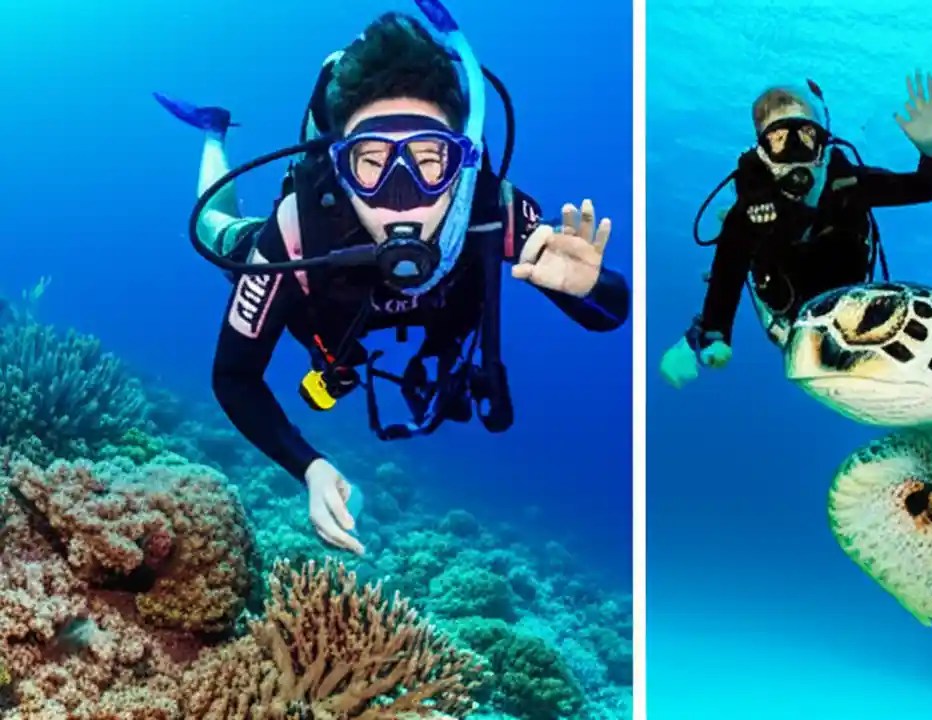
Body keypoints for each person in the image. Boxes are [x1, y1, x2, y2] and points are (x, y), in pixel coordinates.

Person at [154, 1, 629, 556]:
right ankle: (213, 133)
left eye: (429, 160)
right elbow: (234, 376)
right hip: (316, 285)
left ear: (462, 163)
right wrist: (308, 467)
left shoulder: (488, 209)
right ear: (339, 166)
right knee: (212, 230)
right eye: (371, 161)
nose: (401, 197)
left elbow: (612, 312)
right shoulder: (298, 231)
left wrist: (588, 288)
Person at [659, 71, 932, 388]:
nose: (795, 152)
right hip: (786, 318)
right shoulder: (751, 212)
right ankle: (694, 335)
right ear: (763, 153)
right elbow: (727, 275)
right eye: (780, 140)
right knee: (735, 252)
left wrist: (931, 154)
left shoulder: (850, 185)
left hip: (849, 310)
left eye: (807, 136)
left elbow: (927, 187)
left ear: (824, 145)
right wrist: (716, 335)